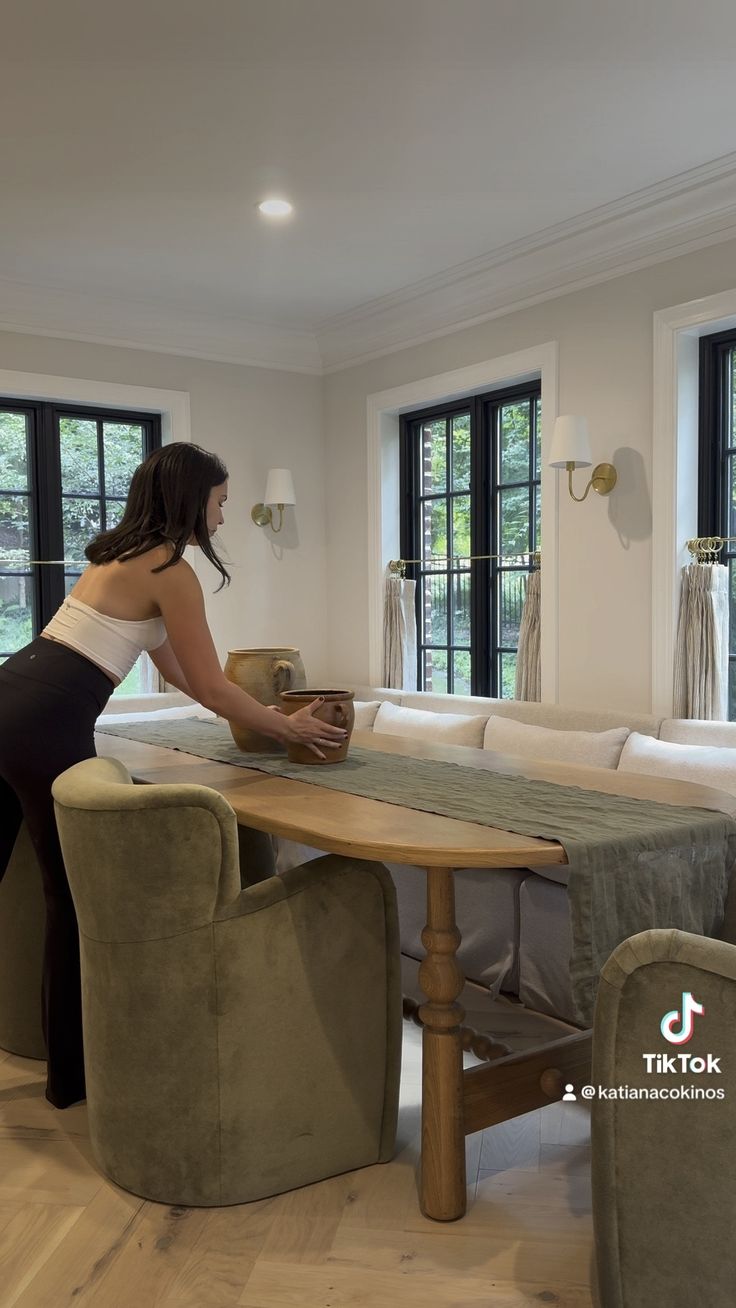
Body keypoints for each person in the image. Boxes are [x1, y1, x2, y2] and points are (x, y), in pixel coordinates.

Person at [0, 442, 346, 1109]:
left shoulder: (117, 557)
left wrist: (263, 718)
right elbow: (215, 687)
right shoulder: (171, 570)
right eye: (219, 503)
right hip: (45, 721)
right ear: (192, 499)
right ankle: (71, 1081)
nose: (221, 519)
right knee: (72, 899)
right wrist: (290, 727)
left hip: (9, 694)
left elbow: (185, 677)